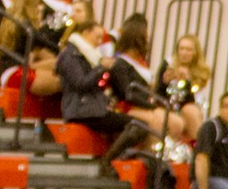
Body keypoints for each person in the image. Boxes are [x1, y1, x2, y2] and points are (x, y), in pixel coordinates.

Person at [56, 16, 157, 179]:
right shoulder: (69, 55)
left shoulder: (89, 56)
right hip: (82, 110)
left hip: (93, 108)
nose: (98, 42)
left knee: (139, 126)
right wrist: (101, 68)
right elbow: (81, 83)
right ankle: (108, 160)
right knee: (138, 126)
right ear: (85, 33)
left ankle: (113, 158)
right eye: (96, 37)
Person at [110, 16, 186, 141]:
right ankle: (150, 152)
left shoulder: (142, 63)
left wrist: (164, 82)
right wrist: (151, 107)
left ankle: (168, 152)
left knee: (177, 122)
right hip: (128, 107)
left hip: (145, 105)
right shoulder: (121, 64)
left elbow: (151, 90)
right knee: (157, 122)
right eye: (145, 36)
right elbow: (126, 94)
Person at [0, 0, 61, 96]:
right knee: (60, 79)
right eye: (38, 4)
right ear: (31, 5)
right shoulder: (25, 28)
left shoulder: (11, 22)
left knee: (55, 63)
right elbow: (47, 44)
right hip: (16, 72)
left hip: (9, 71)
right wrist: (62, 49)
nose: (40, 8)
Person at [154, 33, 211, 141]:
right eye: (181, 49)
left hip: (192, 108)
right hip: (167, 106)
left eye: (189, 50)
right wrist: (165, 82)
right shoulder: (168, 64)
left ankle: (199, 150)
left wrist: (187, 82)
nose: (184, 53)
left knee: (189, 111)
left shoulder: (202, 71)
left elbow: (191, 100)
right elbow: (158, 93)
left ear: (195, 53)